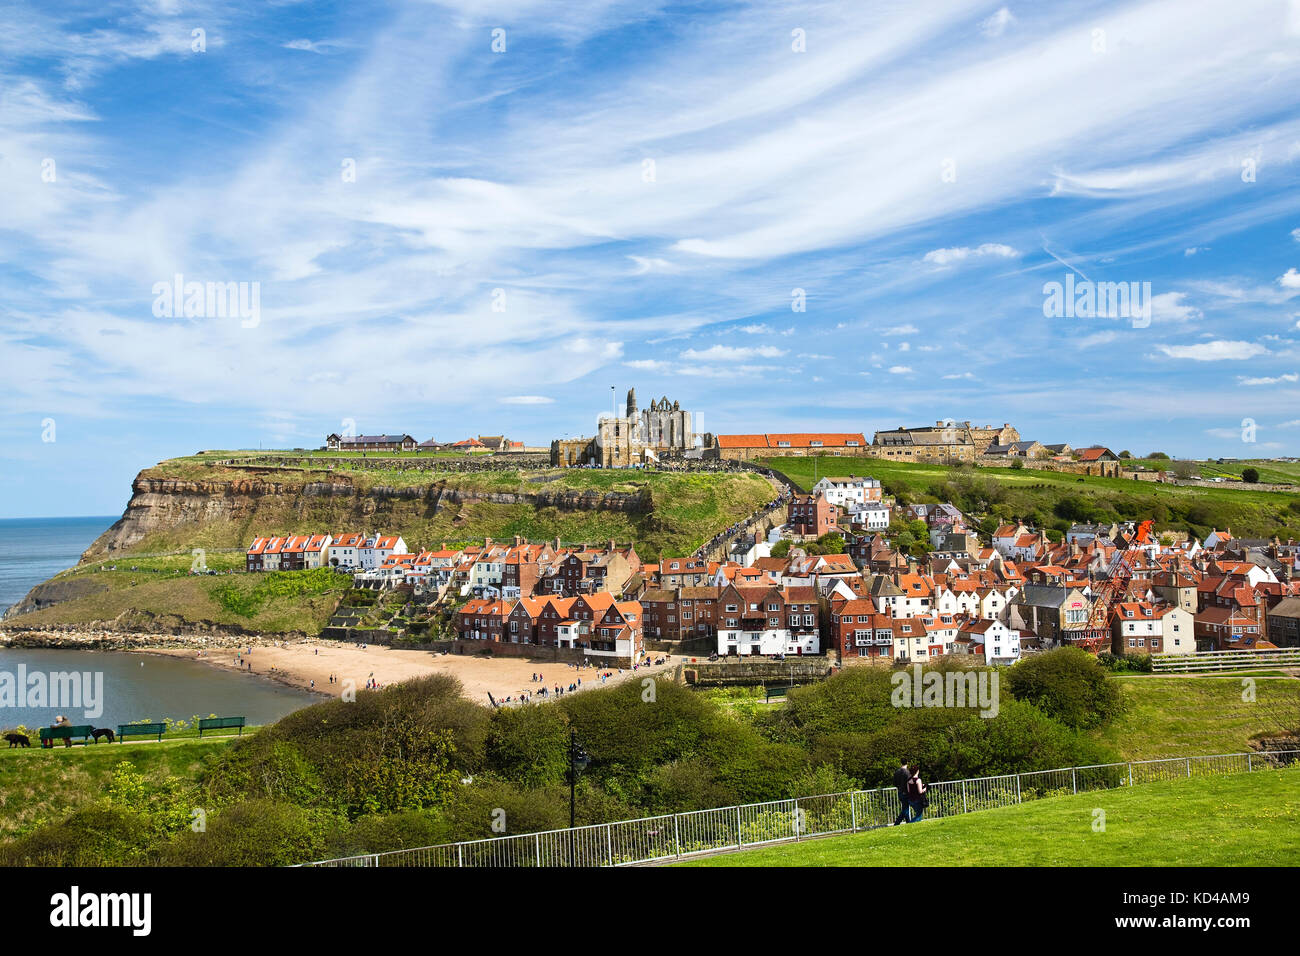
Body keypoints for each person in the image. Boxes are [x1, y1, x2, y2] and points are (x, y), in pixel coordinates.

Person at [892, 760, 912, 825]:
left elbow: (894, 783)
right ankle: (897, 822)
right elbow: (909, 783)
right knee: (905, 810)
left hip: (899, 791)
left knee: (905, 808)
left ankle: (908, 822)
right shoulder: (907, 772)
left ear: (901, 763)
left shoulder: (896, 772)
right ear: (907, 763)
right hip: (906, 792)